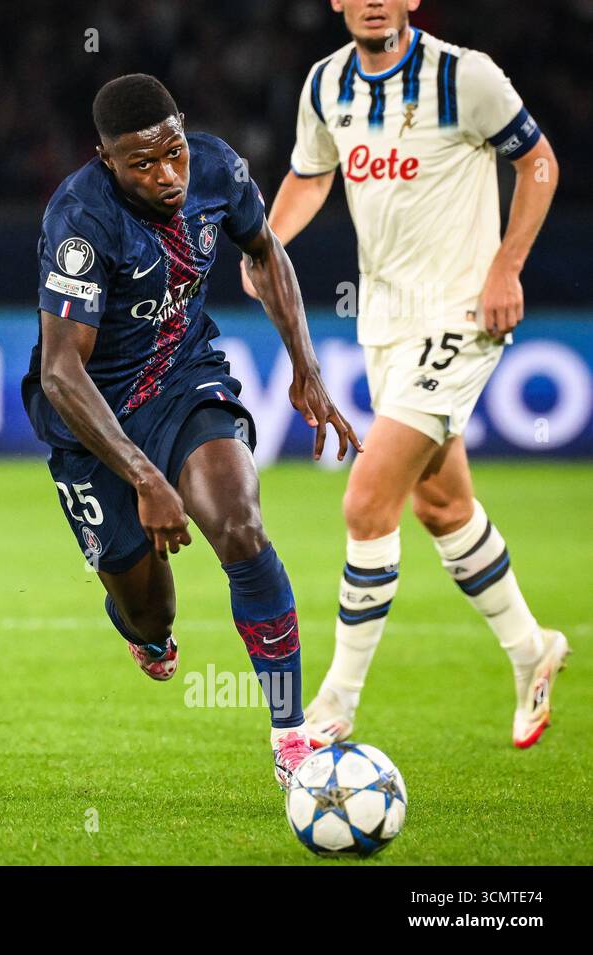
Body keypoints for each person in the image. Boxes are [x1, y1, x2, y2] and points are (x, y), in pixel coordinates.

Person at [244, 0, 566, 748]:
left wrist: (506, 266)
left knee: (366, 500)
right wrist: (266, 246)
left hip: (462, 317)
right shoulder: (326, 85)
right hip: (385, 327)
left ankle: (334, 703)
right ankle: (531, 649)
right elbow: (308, 175)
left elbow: (539, 161)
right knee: (443, 506)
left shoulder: (465, 77)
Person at [23, 73, 361, 788]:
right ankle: (144, 634)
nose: (167, 174)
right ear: (105, 159)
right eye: (141, 164)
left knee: (239, 526)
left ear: (184, 129)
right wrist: (145, 477)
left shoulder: (217, 168)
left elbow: (265, 250)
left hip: (184, 378)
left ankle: (290, 733)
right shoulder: (80, 219)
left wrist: (305, 367)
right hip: (92, 416)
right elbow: (61, 371)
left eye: (171, 151)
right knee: (150, 609)